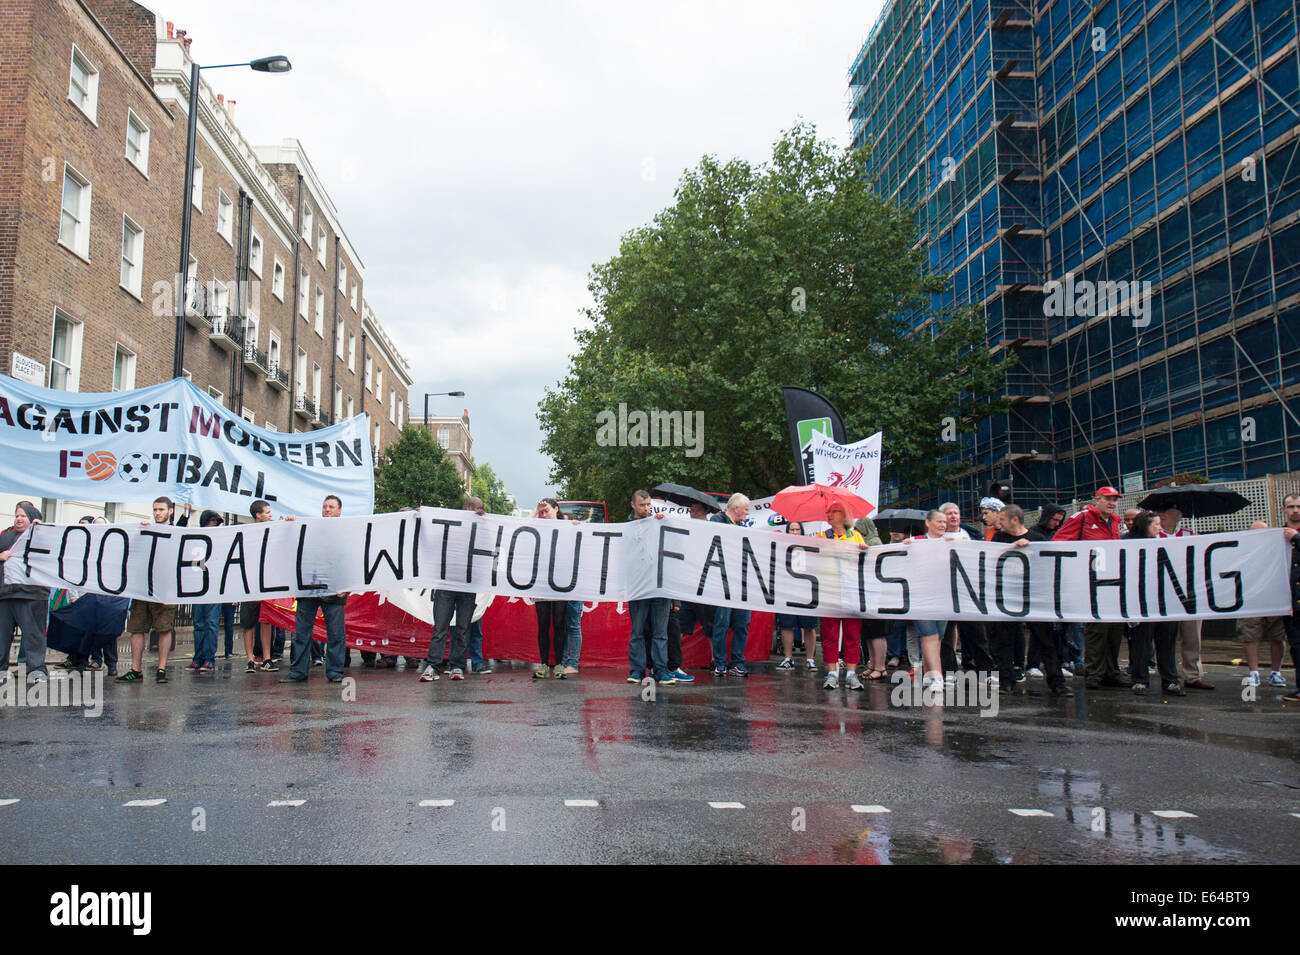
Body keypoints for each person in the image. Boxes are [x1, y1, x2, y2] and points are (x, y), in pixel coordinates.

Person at [1054, 486, 1127, 690]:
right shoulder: (1083, 518)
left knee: (1114, 627)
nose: (1112, 503)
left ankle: (1111, 671)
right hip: (1091, 581)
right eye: (1108, 499)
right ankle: (1094, 671)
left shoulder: (1114, 521)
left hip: (1112, 580)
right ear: (1098, 500)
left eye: (1115, 500)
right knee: (1097, 628)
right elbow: (1059, 542)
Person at [995, 505, 1072, 697]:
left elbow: (1047, 566)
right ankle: (1006, 682)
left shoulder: (1037, 539)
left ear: (1014, 520)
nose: (999, 524)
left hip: (1034, 597)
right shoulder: (999, 539)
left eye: (1002, 520)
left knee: (1046, 640)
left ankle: (1057, 682)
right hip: (1009, 597)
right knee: (1005, 640)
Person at [280, 495, 348, 684]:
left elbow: (351, 561)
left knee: (335, 634)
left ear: (339, 511)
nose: (327, 510)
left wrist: (346, 585)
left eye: (331, 507)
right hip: (308, 590)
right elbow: (295, 544)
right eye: (325, 506)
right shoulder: (310, 527)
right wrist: (291, 524)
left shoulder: (347, 532)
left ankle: (335, 672)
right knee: (301, 633)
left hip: (334, 591)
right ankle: (298, 672)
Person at [418, 495, 485, 683]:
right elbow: (432, 535)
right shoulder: (450, 523)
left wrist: (484, 522)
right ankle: (433, 666)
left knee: (463, 629)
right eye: (477, 508)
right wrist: (423, 517)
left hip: (467, 586)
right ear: (467, 509)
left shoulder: (482, 528)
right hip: (446, 584)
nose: (479, 512)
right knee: (440, 627)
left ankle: (457, 666)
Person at [1119, 510, 1185, 696]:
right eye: (1156, 524)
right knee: (1141, 642)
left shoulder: (1164, 543)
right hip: (1141, 602)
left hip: (1165, 602)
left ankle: (1170, 680)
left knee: (1167, 642)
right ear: (1145, 525)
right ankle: (1140, 679)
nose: (1160, 527)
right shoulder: (1126, 543)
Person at [118, 497, 182, 683]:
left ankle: (161, 669)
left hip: (165, 588)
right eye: (155, 510)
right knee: (137, 628)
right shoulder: (146, 530)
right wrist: (140, 531)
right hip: (142, 587)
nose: (157, 513)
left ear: (170, 511)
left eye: (161, 509)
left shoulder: (177, 533)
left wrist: (173, 590)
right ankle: (135, 669)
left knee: (164, 628)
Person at [816, 504, 876, 690]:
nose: (829, 515)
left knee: (852, 634)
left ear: (844, 515)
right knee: (830, 633)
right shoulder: (821, 537)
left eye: (833, 512)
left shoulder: (856, 536)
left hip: (851, 591)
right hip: (830, 591)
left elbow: (862, 562)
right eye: (828, 512)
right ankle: (832, 672)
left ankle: (851, 673)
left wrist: (864, 551)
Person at [1157, 504, 1213, 690]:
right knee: (1166, 637)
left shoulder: (1190, 535)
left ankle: (1192, 674)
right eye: (1161, 512)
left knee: (1192, 636)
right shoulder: (1154, 536)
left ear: (1178, 515)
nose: (1163, 515)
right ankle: (1169, 673)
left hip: (1190, 593)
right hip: (1165, 594)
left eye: (1168, 511)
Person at [626, 490, 675, 685]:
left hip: (660, 585)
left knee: (660, 632)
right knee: (637, 631)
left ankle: (660, 670)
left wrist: (667, 521)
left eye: (648, 505)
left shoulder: (660, 522)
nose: (646, 509)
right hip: (638, 586)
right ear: (633, 505)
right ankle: (637, 670)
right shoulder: (626, 527)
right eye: (642, 505)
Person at [664, 500, 715, 682]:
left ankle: (715, 661)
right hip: (686, 586)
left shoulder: (713, 529)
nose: (692, 509)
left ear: (705, 509)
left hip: (705, 587)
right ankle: (674, 664)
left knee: (711, 626)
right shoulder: (685, 528)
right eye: (690, 507)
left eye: (696, 506)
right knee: (679, 626)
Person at [0, 503, 49, 684]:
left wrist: (41, 529)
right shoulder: (5, 538)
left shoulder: (43, 536)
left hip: (32, 595)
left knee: (33, 636)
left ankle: (36, 671)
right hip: (5, 596)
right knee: (2, 637)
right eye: (16, 515)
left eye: (23, 516)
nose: (19, 519)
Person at [901, 510, 950, 691]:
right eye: (939, 521)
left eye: (944, 522)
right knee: (929, 635)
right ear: (928, 523)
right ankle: (938, 675)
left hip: (943, 597)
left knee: (937, 638)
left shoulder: (951, 542)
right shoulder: (916, 542)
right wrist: (905, 547)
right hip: (922, 597)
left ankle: (930, 674)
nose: (943, 525)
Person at [1238, 519, 1288, 687]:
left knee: (1278, 636)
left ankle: (1276, 672)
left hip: (1275, 598)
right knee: (1250, 635)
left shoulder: (1277, 547)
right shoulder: (1242, 549)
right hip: (1251, 599)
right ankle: (1254, 672)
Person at [709, 493, 752, 677]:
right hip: (723, 582)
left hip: (741, 583)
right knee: (722, 622)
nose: (748, 513)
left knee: (742, 623)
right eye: (746, 509)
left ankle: (737, 662)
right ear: (736, 508)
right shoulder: (716, 521)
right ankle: (719, 662)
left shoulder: (741, 526)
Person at [531, 498, 569, 679]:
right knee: (543, 624)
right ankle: (544, 664)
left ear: (556, 509)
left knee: (560, 623)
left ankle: (560, 664)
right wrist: (535, 510)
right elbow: (519, 527)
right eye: (542, 513)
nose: (544, 515)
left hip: (561, 580)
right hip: (541, 581)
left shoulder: (567, 526)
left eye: (547, 511)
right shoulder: (537, 527)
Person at [186, 509, 226, 673]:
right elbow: (195, 566)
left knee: (210, 623)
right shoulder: (197, 542)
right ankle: (198, 658)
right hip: (199, 588)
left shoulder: (222, 543)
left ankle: (208, 659)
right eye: (213, 522)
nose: (216, 525)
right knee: (199, 624)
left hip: (214, 588)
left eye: (217, 523)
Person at [775, 521, 819, 670]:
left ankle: (810, 659)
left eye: (797, 529)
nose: (794, 532)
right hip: (787, 591)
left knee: (809, 626)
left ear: (802, 530)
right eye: (791, 530)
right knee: (786, 625)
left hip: (806, 592)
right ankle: (788, 658)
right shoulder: (782, 548)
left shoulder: (810, 547)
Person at [240, 499, 278, 672]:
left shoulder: (273, 531)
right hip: (249, 585)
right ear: (258, 515)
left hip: (267, 583)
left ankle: (267, 658)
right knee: (248, 623)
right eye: (267, 512)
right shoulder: (246, 533)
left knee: (266, 621)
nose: (271, 515)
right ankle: (249, 659)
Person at [1280, 494, 1300, 703]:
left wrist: (1296, 538)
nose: (1295, 510)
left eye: (1298, 506)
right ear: (1284, 509)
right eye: (1291, 507)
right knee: (1296, 645)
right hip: (1289, 601)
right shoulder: (1277, 535)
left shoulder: (1291, 536)